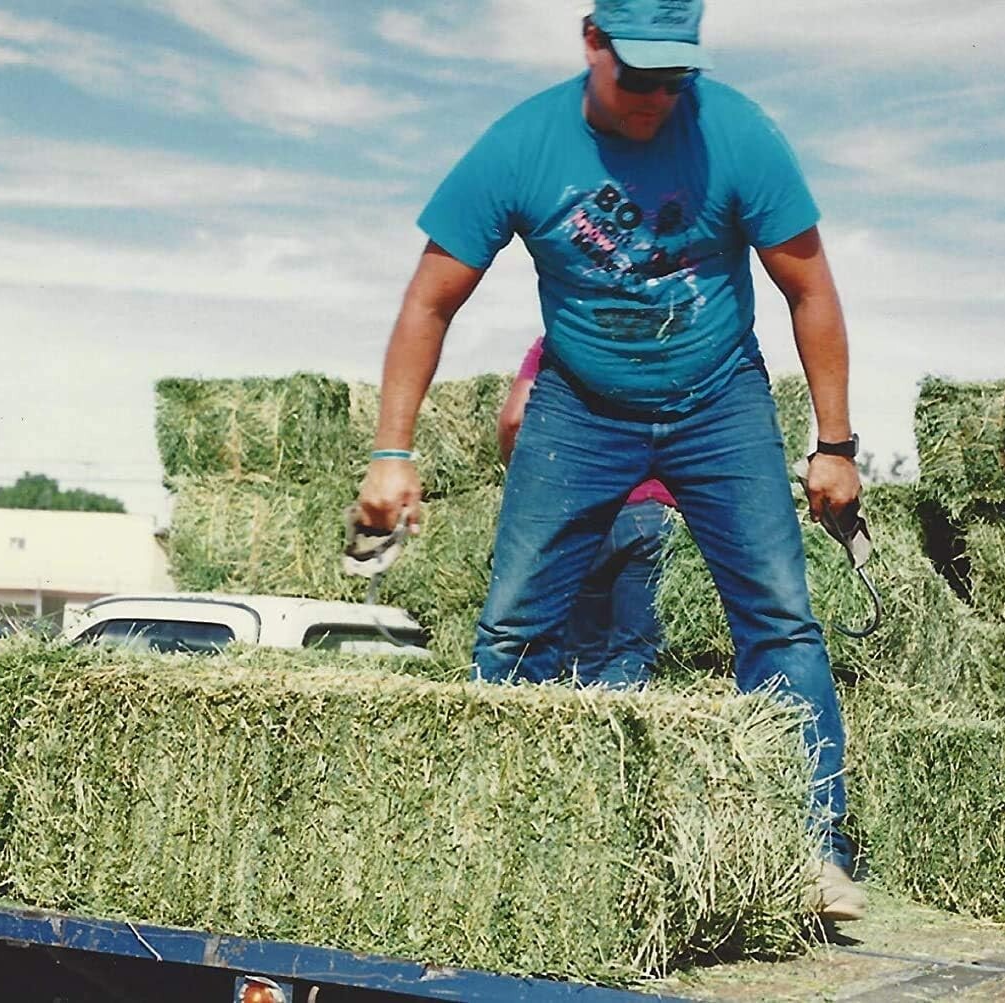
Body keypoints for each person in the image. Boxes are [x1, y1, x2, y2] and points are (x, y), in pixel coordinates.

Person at [356, 0, 866, 921]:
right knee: (513, 628)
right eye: (637, 73)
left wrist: (834, 444)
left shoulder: (738, 133)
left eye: (674, 77)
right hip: (580, 407)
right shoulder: (523, 146)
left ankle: (812, 848)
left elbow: (810, 288)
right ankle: (509, 845)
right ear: (592, 39)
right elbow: (430, 301)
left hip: (719, 399)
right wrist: (393, 451)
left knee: (780, 620)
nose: (654, 97)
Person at [499, 337, 675, 689]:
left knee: (581, 660)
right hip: (652, 515)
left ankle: (586, 720)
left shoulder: (560, 340)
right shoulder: (677, 342)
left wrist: (523, 482)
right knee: (633, 654)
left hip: (579, 512)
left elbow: (514, 420)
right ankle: (620, 717)